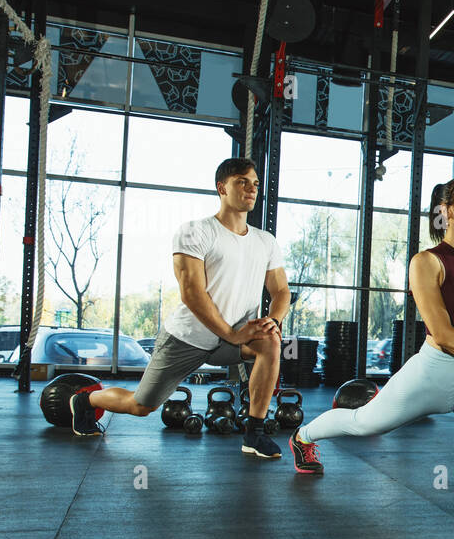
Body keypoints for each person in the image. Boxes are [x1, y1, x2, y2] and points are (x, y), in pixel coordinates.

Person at [289, 178, 454, 516]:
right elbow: (443, 335)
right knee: (362, 422)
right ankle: (303, 437)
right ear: (447, 211)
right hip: (430, 377)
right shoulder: (426, 262)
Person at [70, 157, 289, 460]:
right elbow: (192, 293)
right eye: (242, 182)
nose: (251, 189)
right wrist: (231, 334)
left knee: (270, 341)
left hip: (232, 339)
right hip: (187, 337)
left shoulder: (265, 241)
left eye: (254, 184)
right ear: (222, 188)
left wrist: (273, 320)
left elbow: (281, 291)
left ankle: (255, 432)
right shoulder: (195, 231)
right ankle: (86, 401)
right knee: (141, 405)